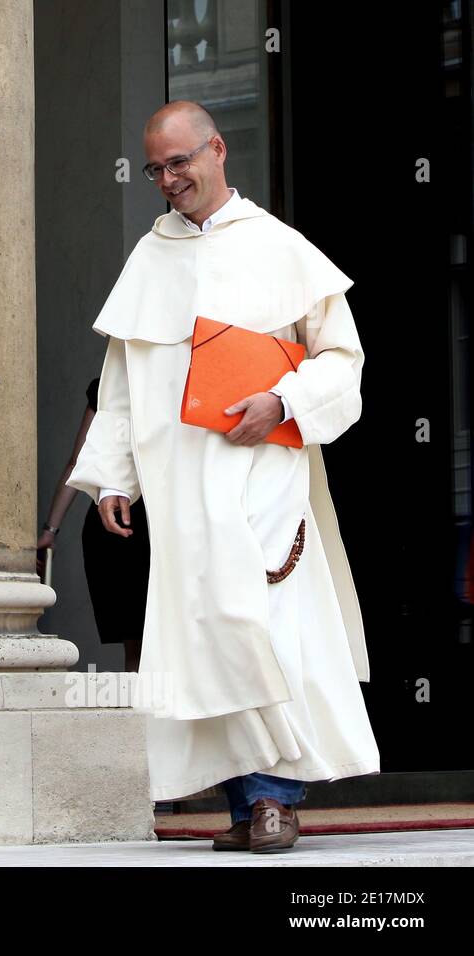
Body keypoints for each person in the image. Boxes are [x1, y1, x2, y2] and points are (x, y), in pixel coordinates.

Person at [65, 101, 379, 853]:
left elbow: (344, 362)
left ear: (217, 150)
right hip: (178, 492)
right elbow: (122, 383)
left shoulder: (280, 246)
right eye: (155, 170)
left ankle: (276, 799)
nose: (168, 180)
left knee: (260, 624)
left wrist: (283, 400)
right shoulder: (149, 257)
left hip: (261, 471)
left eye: (179, 163)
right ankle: (248, 805)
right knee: (208, 639)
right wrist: (113, 477)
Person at [37, 375, 150, 671]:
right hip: (125, 523)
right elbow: (79, 461)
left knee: (138, 646)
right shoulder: (106, 386)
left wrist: (51, 530)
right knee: (143, 640)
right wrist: (50, 531)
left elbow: (77, 461)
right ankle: (146, 713)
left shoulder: (111, 384)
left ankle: (144, 712)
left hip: (121, 519)